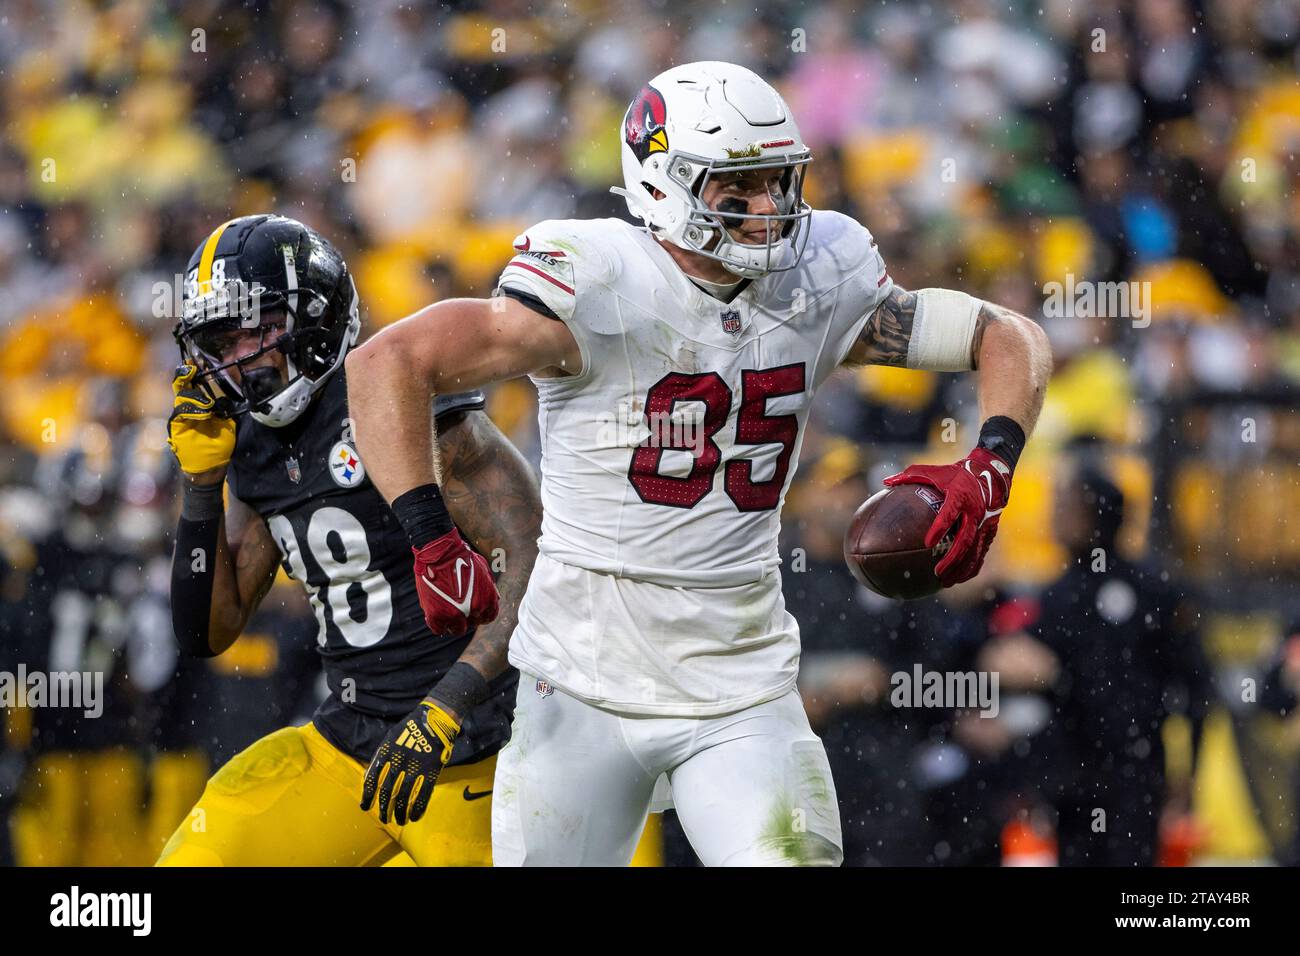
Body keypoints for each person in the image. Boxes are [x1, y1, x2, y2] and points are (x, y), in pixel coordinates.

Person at [346, 61, 1053, 866]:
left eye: (778, 183)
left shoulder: (820, 276)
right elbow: (386, 365)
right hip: (577, 679)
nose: (767, 212)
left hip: (741, 683)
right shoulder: (597, 279)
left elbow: (1008, 334)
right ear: (661, 186)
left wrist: (992, 464)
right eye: (737, 190)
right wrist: (429, 535)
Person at [158, 214, 541, 865]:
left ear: (313, 321)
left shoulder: (396, 394)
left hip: (476, 748)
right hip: (350, 743)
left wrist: (445, 709)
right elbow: (206, 634)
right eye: (221, 342)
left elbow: (532, 566)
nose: (234, 361)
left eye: (255, 332)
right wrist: (201, 487)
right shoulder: (250, 446)